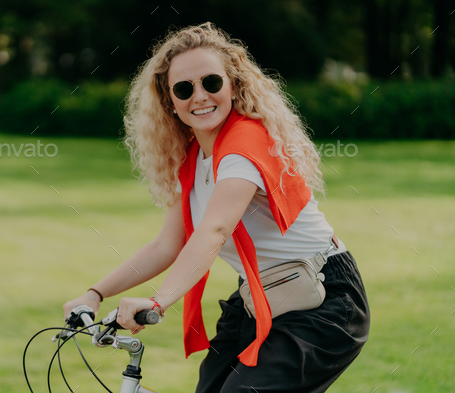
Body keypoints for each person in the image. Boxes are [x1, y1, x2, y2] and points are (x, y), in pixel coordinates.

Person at [63, 22, 370, 393]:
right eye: (184, 89)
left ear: (233, 85)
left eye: (211, 82)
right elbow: (167, 245)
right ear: (169, 102)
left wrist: (159, 301)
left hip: (323, 296)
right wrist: (95, 294)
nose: (200, 96)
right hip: (264, 295)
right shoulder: (192, 159)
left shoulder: (244, 145)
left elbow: (215, 231)